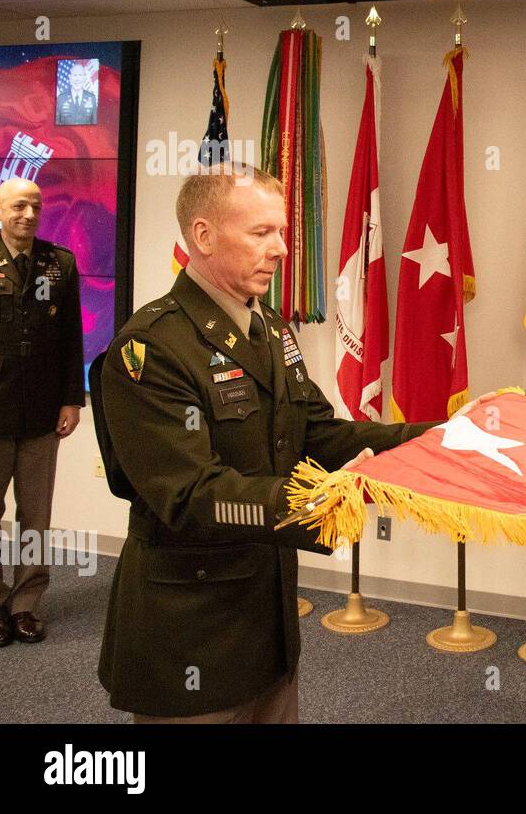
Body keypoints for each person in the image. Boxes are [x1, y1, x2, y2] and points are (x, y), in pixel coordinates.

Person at [96, 163, 433, 722]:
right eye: (261, 233)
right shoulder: (153, 347)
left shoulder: (271, 329)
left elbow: (319, 433)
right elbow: (191, 495)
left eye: (281, 232)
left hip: (267, 621)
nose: (280, 249)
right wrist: (323, 502)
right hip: (191, 630)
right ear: (203, 236)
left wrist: (434, 439)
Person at [0, 178, 84, 647]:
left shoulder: (58, 263)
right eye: (18, 206)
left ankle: (26, 604)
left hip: (41, 411)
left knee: (35, 515)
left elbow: (72, 339)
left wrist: (73, 398)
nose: (27, 214)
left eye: (35, 205)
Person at [56, 62, 97, 126]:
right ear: (70, 77)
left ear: (84, 77)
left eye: (80, 75)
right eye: (75, 75)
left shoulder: (92, 98)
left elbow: (94, 123)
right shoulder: (61, 98)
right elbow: (57, 123)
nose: (77, 79)